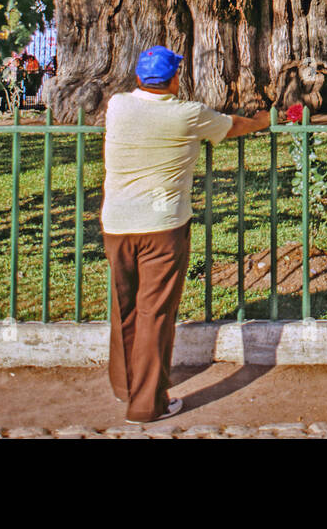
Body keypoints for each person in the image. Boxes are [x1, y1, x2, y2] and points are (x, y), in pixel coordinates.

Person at [102, 46, 270, 423]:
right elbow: (234, 126)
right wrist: (262, 120)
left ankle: (125, 385)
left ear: (140, 77)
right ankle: (148, 404)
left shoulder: (117, 106)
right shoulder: (187, 115)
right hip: (162, 227)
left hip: (115, 224)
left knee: (124, 307)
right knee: (154, 313)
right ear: (175, 78)